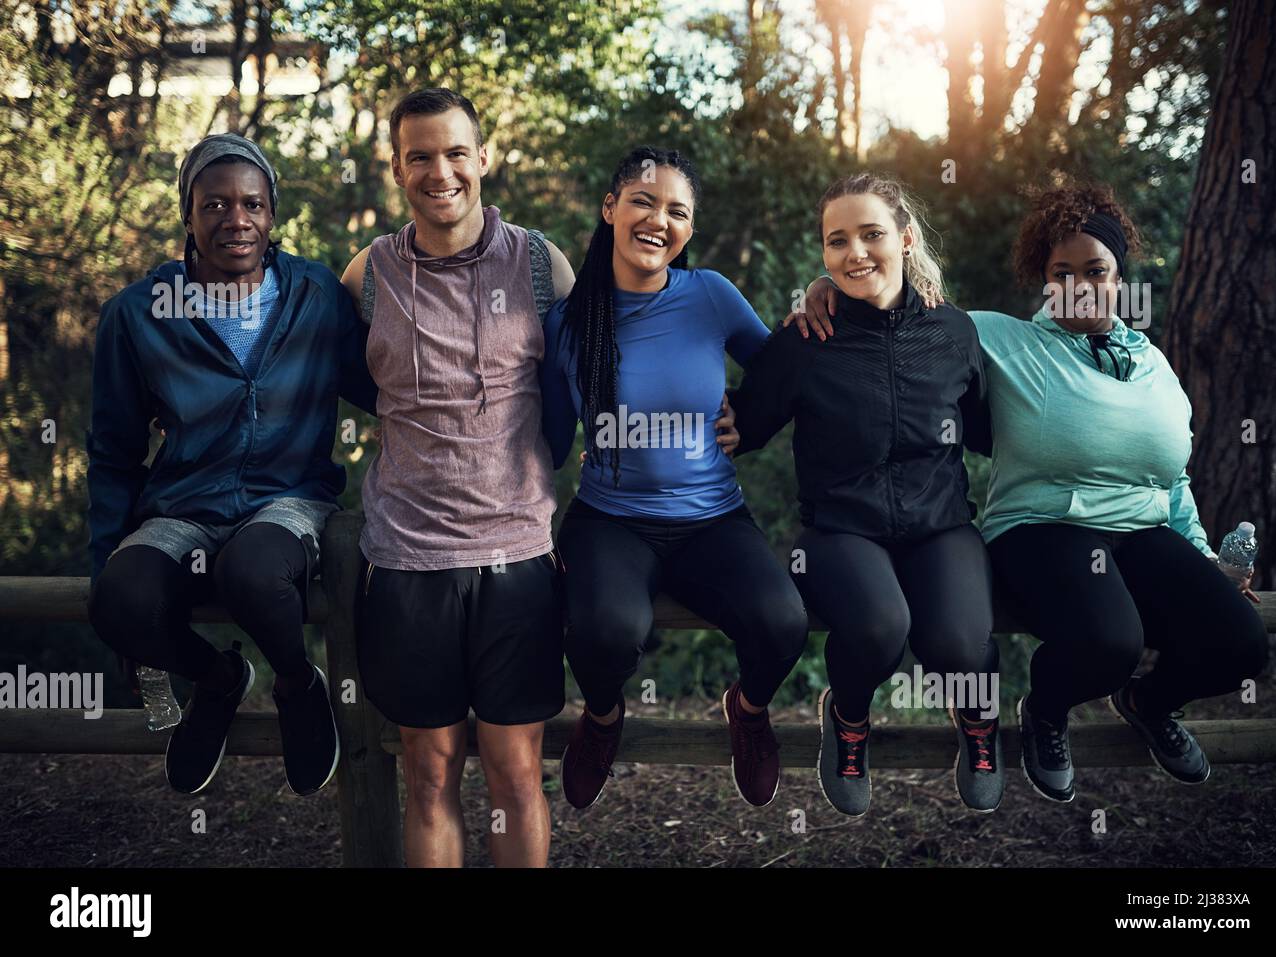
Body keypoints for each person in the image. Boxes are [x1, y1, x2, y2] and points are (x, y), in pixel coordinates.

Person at [796, 182, 1268, 803]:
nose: (1078, 285)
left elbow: (1171, 477)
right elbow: (900, 317)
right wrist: (829, 289)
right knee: (1111, 641)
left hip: (1143, 531)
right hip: (1044, 527)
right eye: (1060, 271)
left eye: (1095, 270)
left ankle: (1149, 704)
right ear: (1042, 278)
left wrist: (1202, 553)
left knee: (1242, 642)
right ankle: (1044, 712)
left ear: (1120, 275)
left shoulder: (1153, 364)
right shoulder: (1000, 338)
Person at [88, 134, 377, 797]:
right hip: (183, 505)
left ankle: (297, 683)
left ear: (272, 213)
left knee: (250, 569)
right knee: (118, 597)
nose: (235, 219)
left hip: (289, 499)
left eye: (252, 203)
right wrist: (109, 555)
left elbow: (386, 387)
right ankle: (218, 679)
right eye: (214, 203)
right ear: (187, 214)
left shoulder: (316, 296)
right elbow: (113, 452)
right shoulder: (137, 316)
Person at [340, 88, 575, 868]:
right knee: (429, 768)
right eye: (419, 156)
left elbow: (619, 344)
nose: (439, 171)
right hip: (407, 558)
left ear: (484, 157)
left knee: (515, 771)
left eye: (454, 153)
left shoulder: (541, 265)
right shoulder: (367, 274)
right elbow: (297, 354)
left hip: (517, 553)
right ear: (398, 167)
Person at [540, 146, 809, 812]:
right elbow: (545, 439)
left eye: (676, 211)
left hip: (712, 517)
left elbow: (782, 367)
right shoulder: (568, 324)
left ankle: (746, 711)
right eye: (643, 200)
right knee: (603, 630)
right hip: (609, 520)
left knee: (782, 623)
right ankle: (602, 719)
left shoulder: (710, 295)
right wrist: (526, 516)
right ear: (611, 209)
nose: (659, 219)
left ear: (688, 229)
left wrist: (749, 421)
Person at [729, 172, 1002, 817]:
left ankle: (980, 728)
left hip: (940, 525)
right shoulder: (806, 339)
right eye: (837, 241)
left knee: (962, 645)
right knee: (881, 628)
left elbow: (991, 430)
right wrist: (650, 427)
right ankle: (848, 721)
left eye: (871, 234)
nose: (855, 253)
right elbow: (744, 424)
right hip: (840, 530)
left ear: (905, 239)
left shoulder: (953, 332)